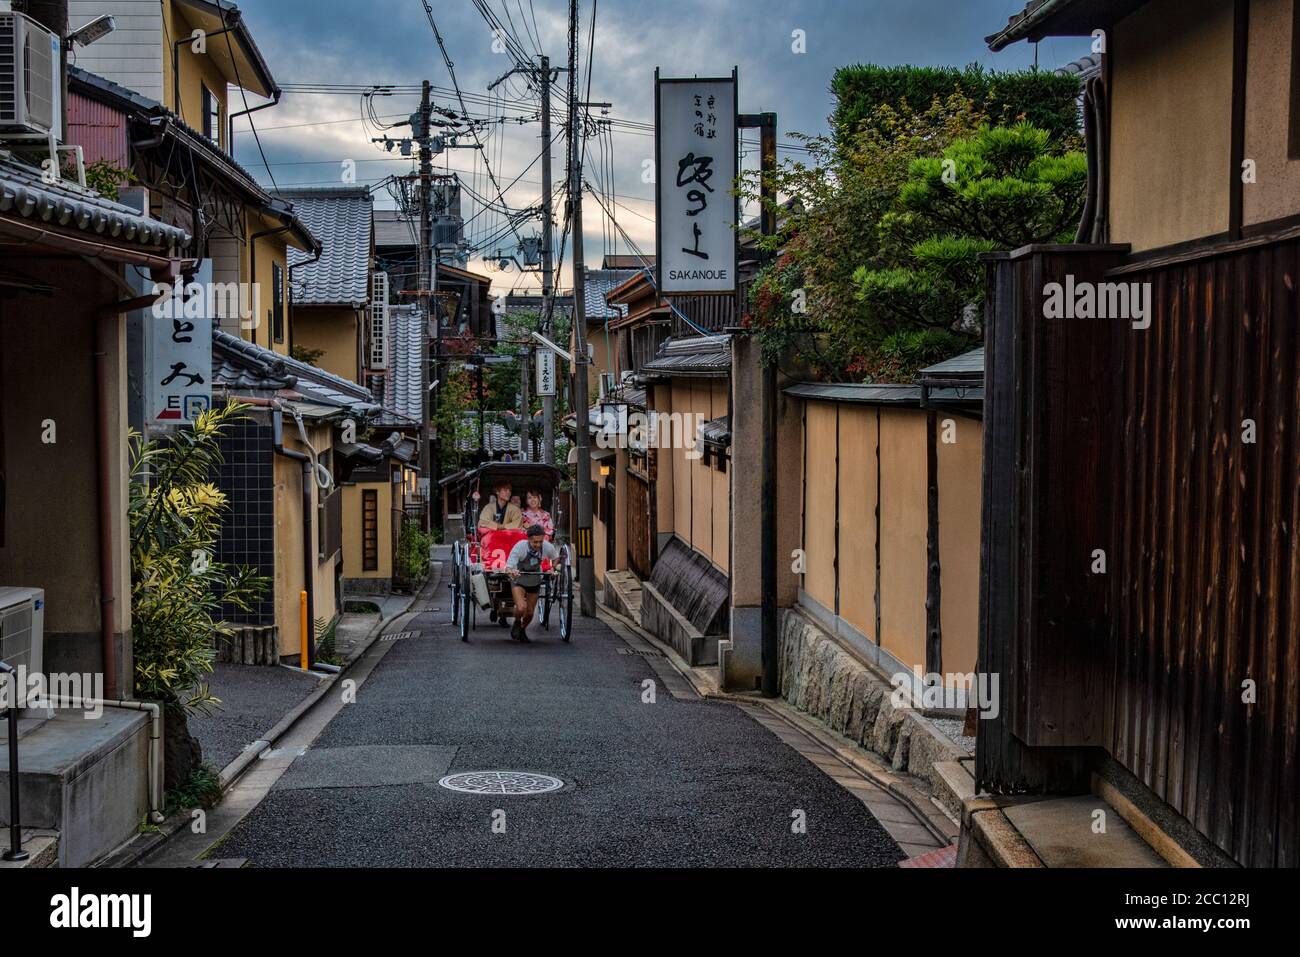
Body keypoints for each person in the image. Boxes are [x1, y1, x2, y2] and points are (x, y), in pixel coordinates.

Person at [505, 525, 562, 642]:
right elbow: (508, 567)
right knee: (521, 608)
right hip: (519, 580)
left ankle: (522, 629)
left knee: (530, 613)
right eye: (535, 542)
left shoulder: (546, 546)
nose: (538, 545)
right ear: (529, 539)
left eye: (540, 541)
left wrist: (552, 568)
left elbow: (556, 557)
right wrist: (513, 571)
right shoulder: (520, 547)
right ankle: (516, 622)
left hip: (535, 579)